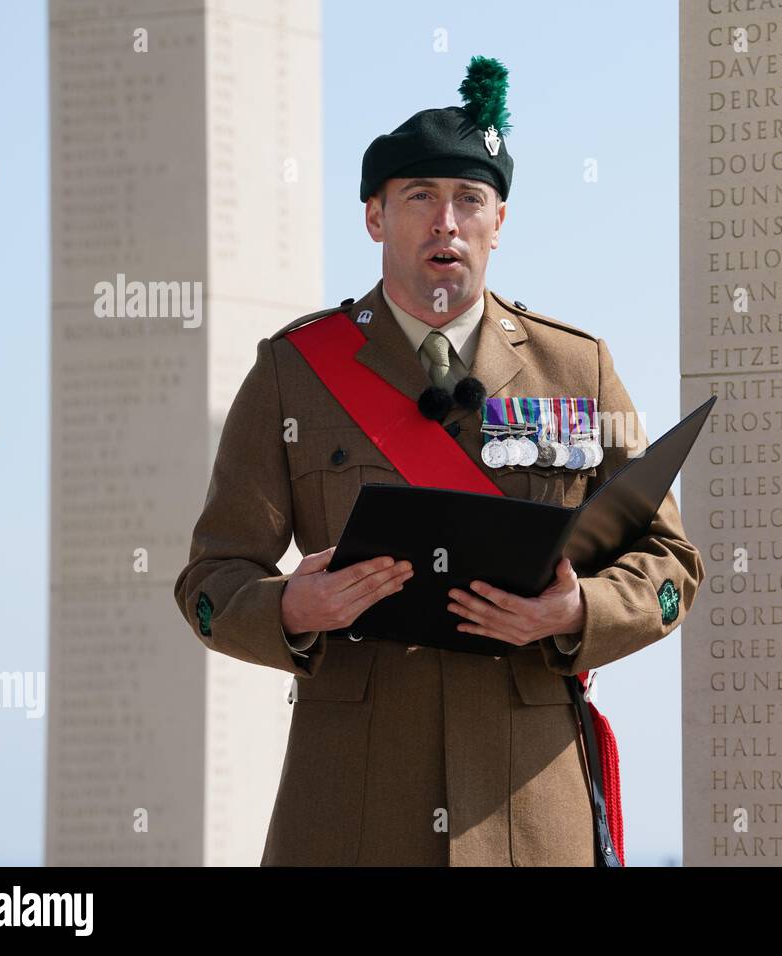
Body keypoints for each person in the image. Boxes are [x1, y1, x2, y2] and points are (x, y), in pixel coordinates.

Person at [172, 56, 703, 866]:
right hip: (351, 802)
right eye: (419, 198)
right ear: (375, 219)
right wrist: (292, 609)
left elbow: (670, 565)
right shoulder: (294, 371)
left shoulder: (579, 370)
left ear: (500, 221)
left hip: (528, 801)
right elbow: (210, 583)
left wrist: (575, 613)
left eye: (469, 201)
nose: (446, 222)